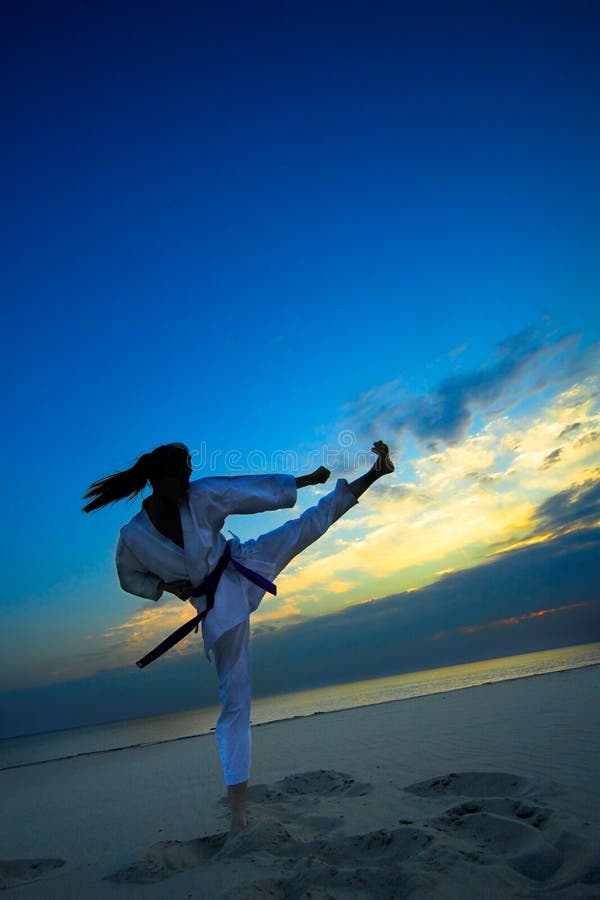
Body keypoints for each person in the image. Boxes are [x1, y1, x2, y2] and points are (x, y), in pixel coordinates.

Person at [83, 439, 394, 838]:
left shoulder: (200, 497)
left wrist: (307, 480)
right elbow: (129, 577)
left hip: (243, 564)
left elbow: (248, 488)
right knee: (235, 701)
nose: (188, 478)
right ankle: (238, 816)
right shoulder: (133, 538)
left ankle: (377, 472)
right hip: (218, 610)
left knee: (305, 527)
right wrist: (166, 585)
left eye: (190, 470)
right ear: (158, 479)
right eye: (181, 472)